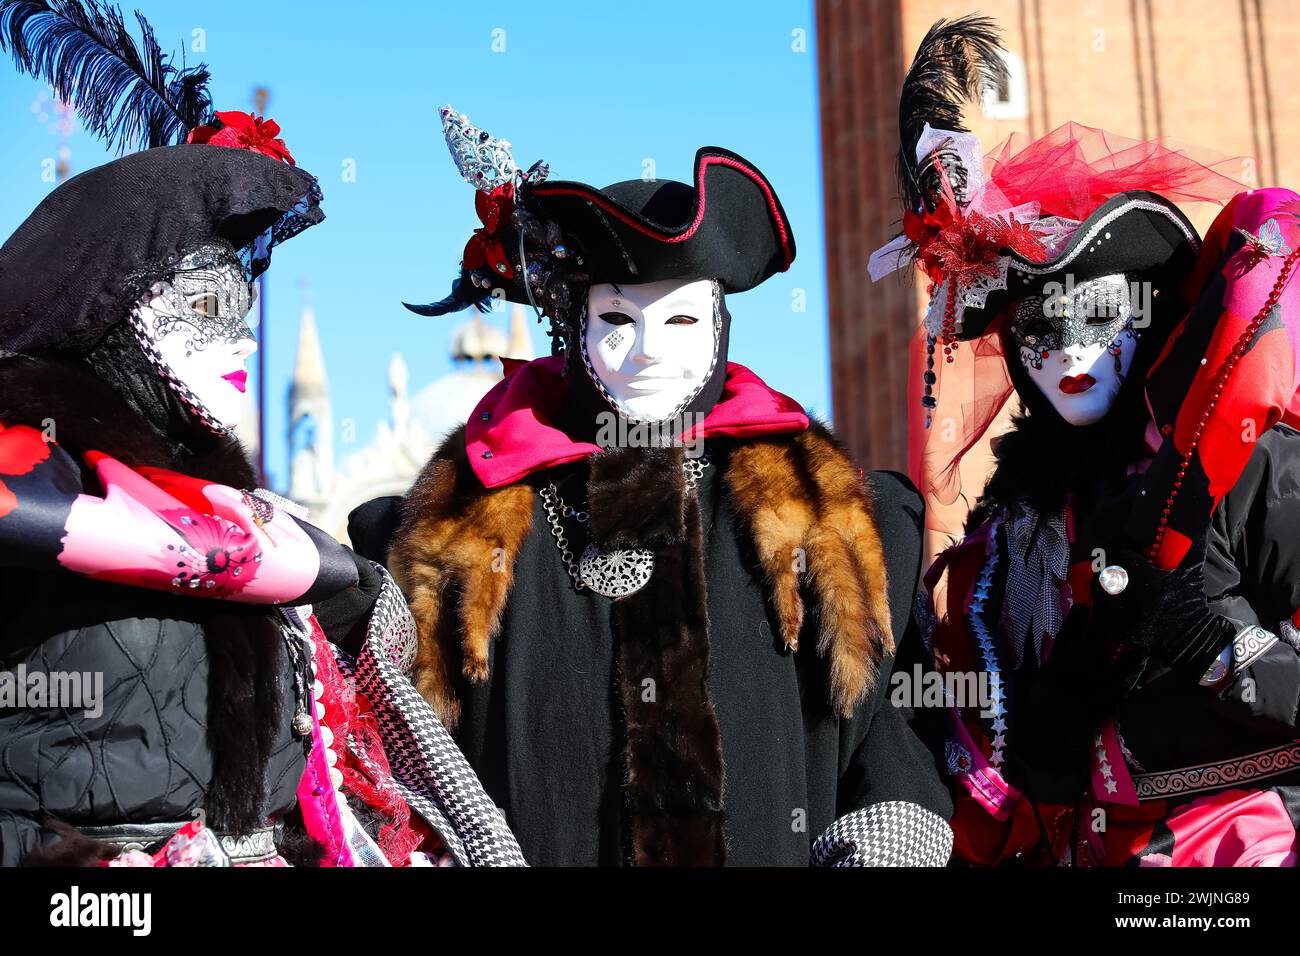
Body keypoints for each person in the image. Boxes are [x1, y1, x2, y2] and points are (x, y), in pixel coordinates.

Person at [351, 105, 954, 866]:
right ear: (574, 327)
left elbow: (894, 739)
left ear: (721, 328)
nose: (644, 355)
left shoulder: (830, 518)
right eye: (616, 322)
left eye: (678, 324)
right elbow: (403, 754)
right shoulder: (463, 525)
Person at [0, 0, 522, 867]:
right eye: (206, 306)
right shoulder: (31, 495)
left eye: (246, 307)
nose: (242, 335)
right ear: (112, 317)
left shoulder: (259, 534)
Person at [875, 16, 1300, 866]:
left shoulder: (1247, 466)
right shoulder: (1009, 539)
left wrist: (1210, 644)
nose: (1068, 349)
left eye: (1098, 314)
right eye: (1039, 322)